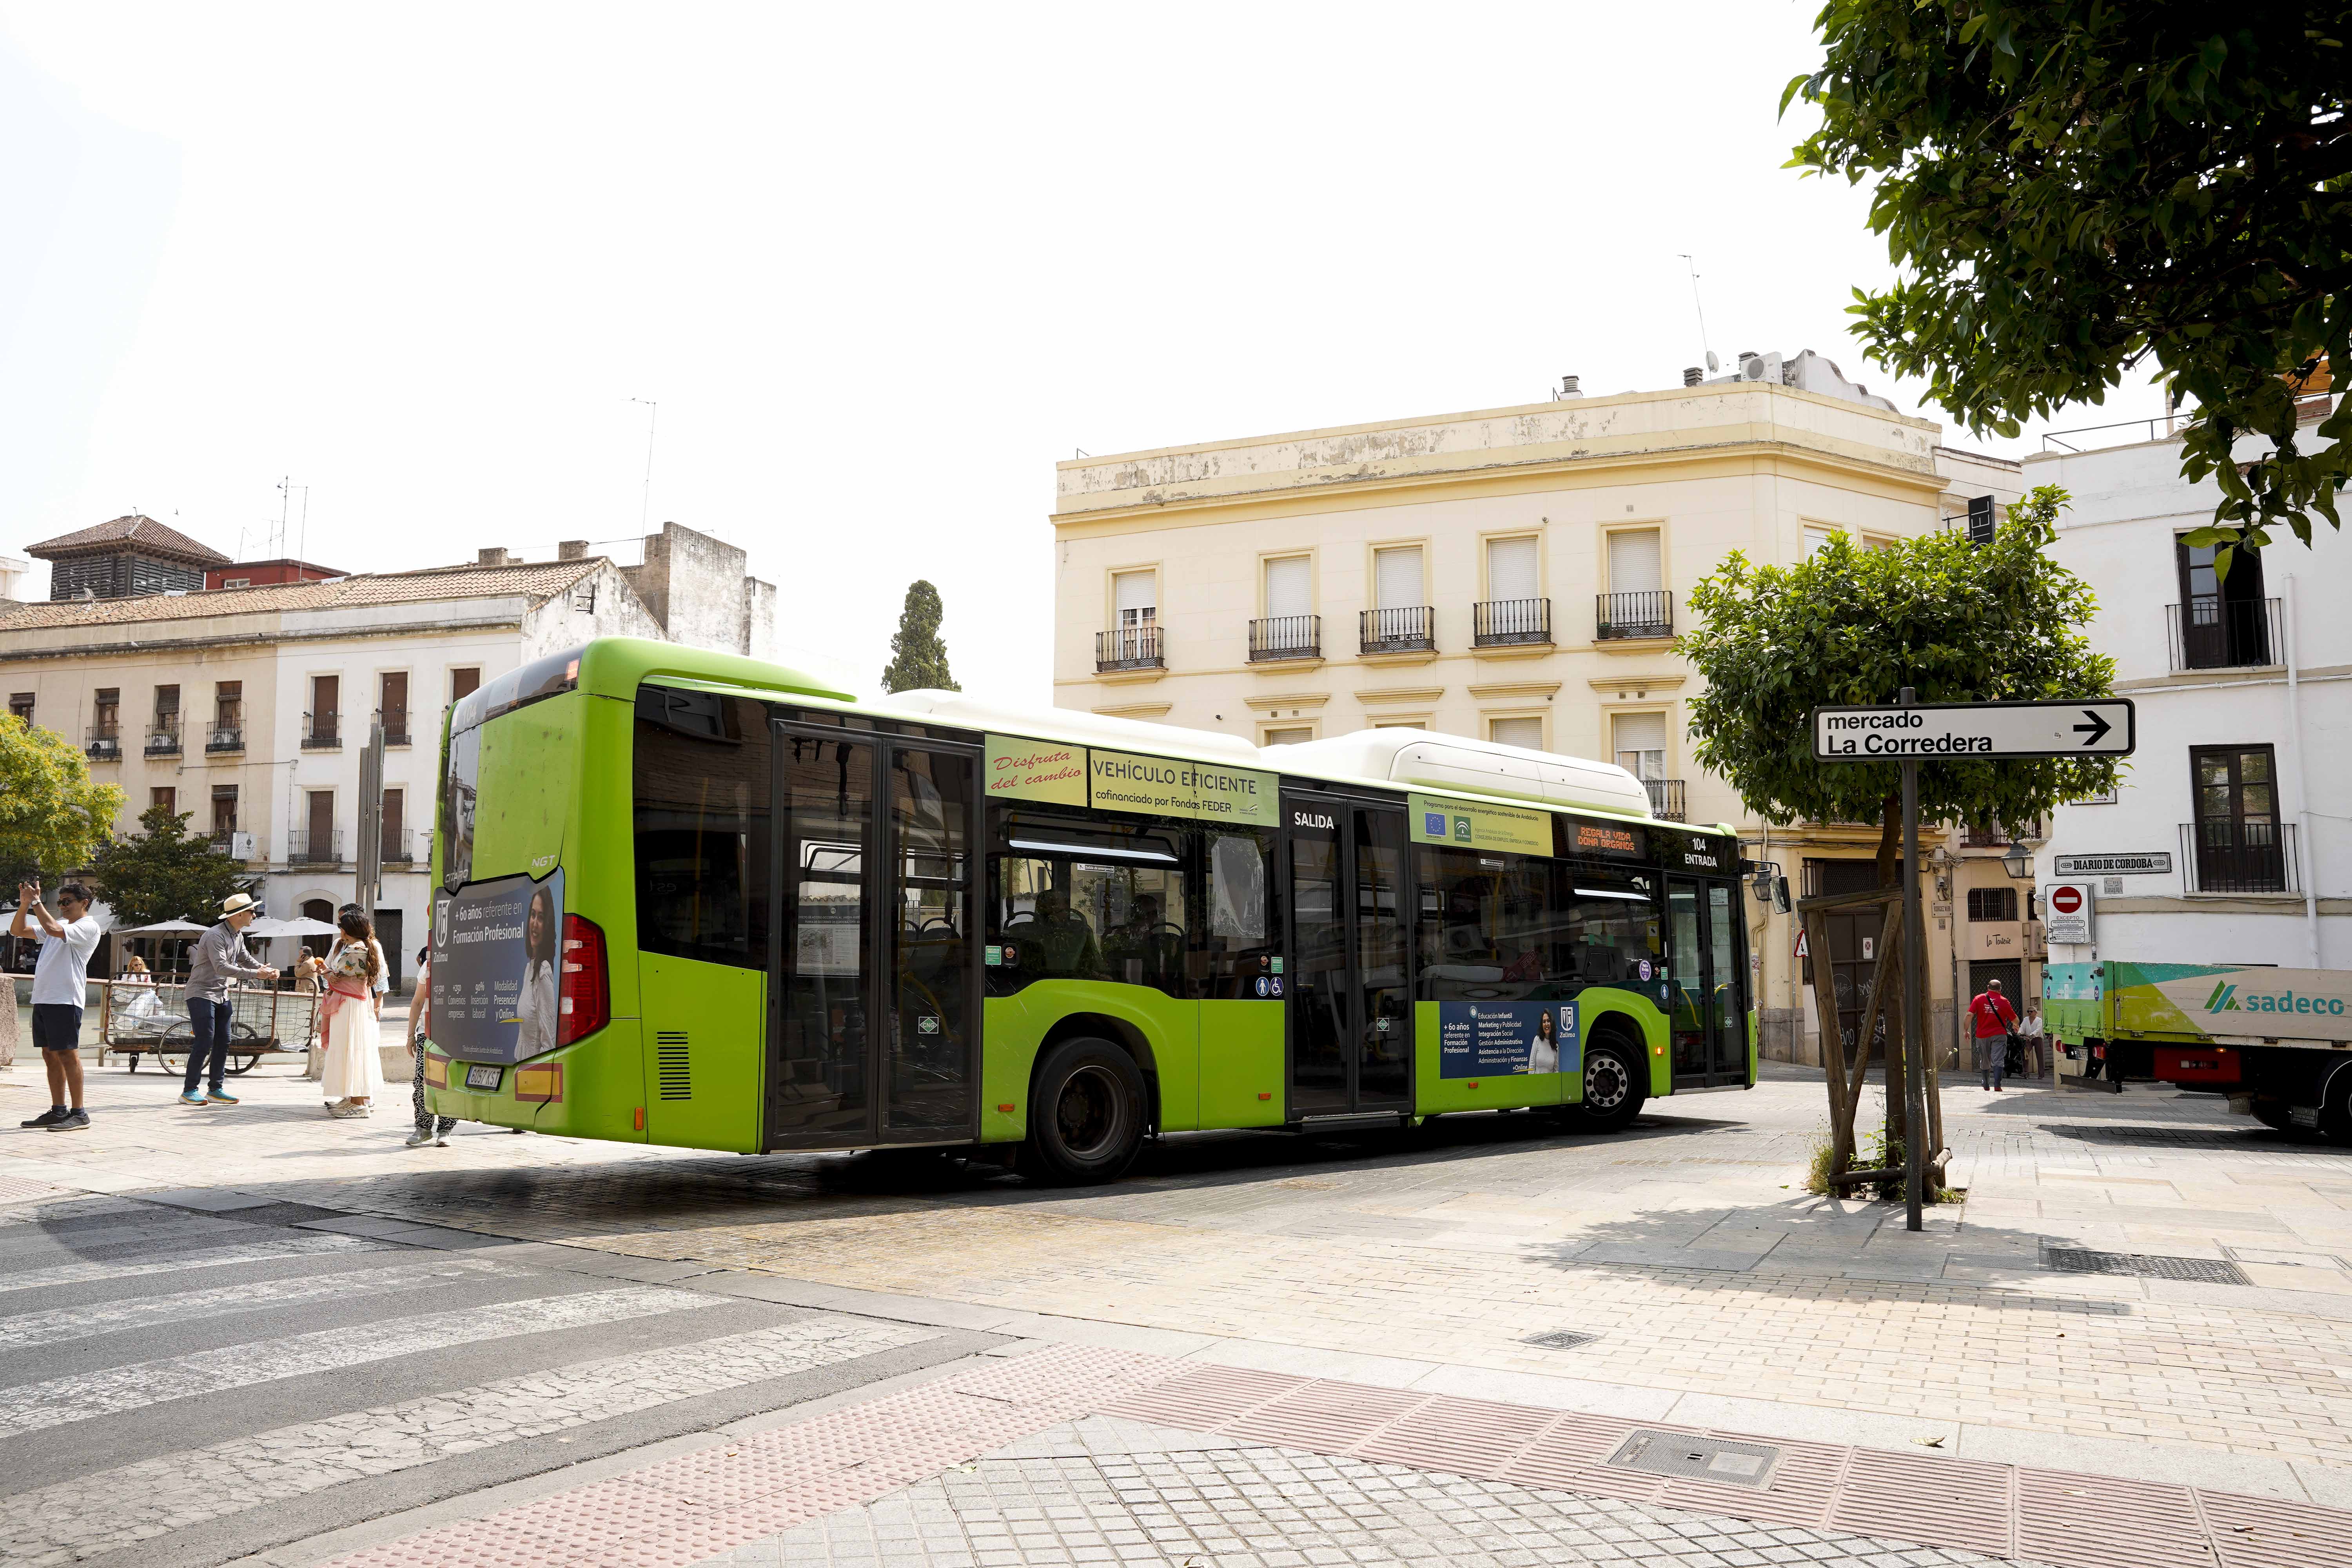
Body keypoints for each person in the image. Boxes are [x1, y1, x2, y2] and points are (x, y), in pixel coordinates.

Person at [14, 882, 103, 1132]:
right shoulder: (61, 924)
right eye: (60, 902)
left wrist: (36, 902)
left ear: (84, 903)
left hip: (66, 999)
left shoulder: (88, 926)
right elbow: (18, 930)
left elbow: (51, 928)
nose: (62, 906)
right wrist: (24, 905)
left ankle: (80, 1113)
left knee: (67, 1054)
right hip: (43, 998)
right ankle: (58, 1111)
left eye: (67, 902)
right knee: (49, 1055)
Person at [181, 891, 278, 1107]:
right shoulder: (215, 936)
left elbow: (245, 958)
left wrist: (264, 969)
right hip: (201, 993)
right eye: (252, 912)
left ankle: (215, 1089)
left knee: (224, 1042)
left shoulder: (237, 935)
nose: (255, 915)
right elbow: (221, 967)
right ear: (238, 915)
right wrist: (256, 975)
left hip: (222, 993)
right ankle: (189, 1091)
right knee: (205, 1040)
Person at [318, 909, 385, 1116]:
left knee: (351, 1048)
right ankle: (354, 1099)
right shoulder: (362, 947)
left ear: (348, 930)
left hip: (350, 1005)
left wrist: (327, 972)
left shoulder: (356, 950)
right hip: (352, 1003)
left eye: (341, 926)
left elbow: (340, 974)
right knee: (352, 1048)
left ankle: (358, 1104)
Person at [407, 943, 456, 1148]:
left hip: (454, 1035)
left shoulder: (466, 962)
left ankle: (445, 1130)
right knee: (421, 1083)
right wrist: (411, 1036)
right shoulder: (429, 965)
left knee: (450, 1082)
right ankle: (423, 1128)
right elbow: (418, 1001)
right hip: (426, 1034)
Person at [512, 885, 559, 1061]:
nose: (535, 924)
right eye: (533, 915)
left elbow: (549, 1043)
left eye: (541, 917)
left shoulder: (543, 973)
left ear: (548, 925)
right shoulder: (530, 969)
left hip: (531, 1076)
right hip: (521, 1070)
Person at [1970, 977, 2021, 1091]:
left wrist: (1965, 1030)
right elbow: (2015, 1019)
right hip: (1999, 1034)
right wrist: (2016, 1026)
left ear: (1988, 988)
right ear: (2000, 990)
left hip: (1982, 1035)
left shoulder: (1979, 999)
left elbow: (1969, 1014)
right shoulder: (2004, 1001)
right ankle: (1997, 1086)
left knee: (1985, 1060)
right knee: (1998, 1059)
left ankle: (1986, 1084)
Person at [2015, 1002, 2046, 1082]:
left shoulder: (2039, 1020)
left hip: (2037, 1038)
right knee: (2026, 1053)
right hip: (2028, 1038)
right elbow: (2023, 1027)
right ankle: (2025, 1071)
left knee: (2040, 1056)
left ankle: (2041, 1074)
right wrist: (2019, 1033)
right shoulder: (2026, 1019)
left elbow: (2039, 1030)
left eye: (2031, 1011)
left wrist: (2032, 1035)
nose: (2030, 1013)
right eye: (2028, 1011)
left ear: (2036, 1013)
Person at [1528, 1008, 1560, 1074]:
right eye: (1544, 1022)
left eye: (1548, 1021)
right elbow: (1531, 1068)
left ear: (1552, 1023)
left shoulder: (1556, 1046)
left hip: (1550, 1084)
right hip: (1537, 1083)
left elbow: (1556, 1071)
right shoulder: (1537, 1040)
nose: (1546, 1024)